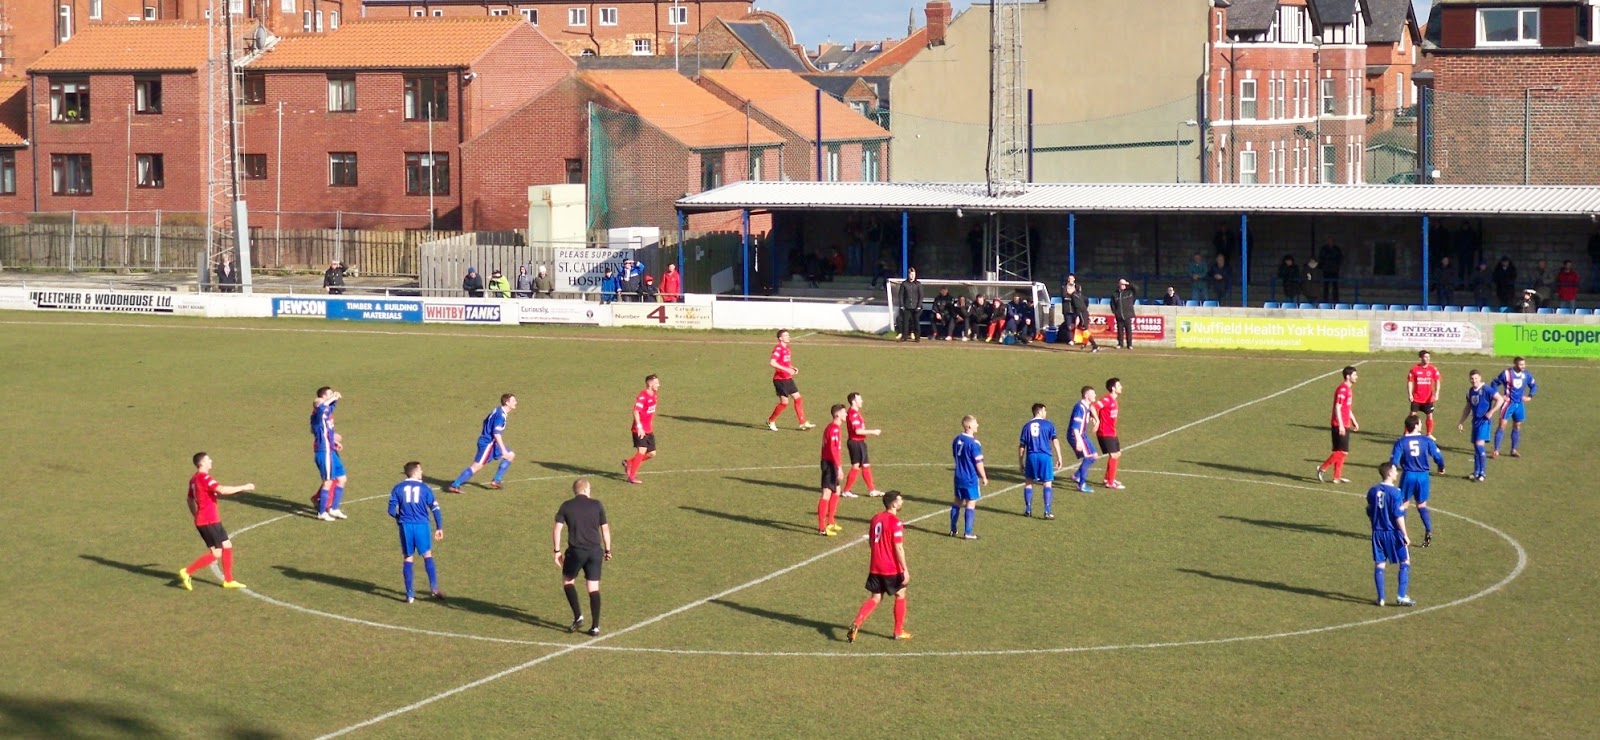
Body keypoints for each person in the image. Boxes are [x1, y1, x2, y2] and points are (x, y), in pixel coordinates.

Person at [177, 452, 255, 591]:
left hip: (208, 520)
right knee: (217, 553)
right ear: (201, 463)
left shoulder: (194, 479)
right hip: (208, 521)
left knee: (227, 546)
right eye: (208, 459)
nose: (211, 461)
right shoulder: (204, 478)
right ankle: (187, 572)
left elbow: (189, 499)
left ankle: (228, 580)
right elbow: (222, 490)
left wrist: (196, 514)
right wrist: (244, 487)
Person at [847, 490, 911, 642]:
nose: (902, 502)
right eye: (900, 500)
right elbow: (898, 548)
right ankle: (898, 631)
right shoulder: (895, 523)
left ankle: (856, 623)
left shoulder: (875, 519)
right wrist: (905, 570)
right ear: (894, 503)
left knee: (875, 597)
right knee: (900, 594)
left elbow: (871, 541)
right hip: (891, 568)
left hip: (875, 566)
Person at [553, 477, 611, 637]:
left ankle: (578, 616)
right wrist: (608, 550)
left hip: (576, 551)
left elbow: (557, 529)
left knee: (567, 581)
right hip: (595, 552)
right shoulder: (597, 505)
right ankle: (595, 627)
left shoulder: (566, 506)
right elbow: (605, 530)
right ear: (586, 490)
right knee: (593, 587)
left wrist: (557, 551)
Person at [387, 461, 446, 603]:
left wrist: (399, 518)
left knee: (408, 558)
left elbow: (390, 510)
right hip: (422, 526)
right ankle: (434, 587)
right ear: (414, 472)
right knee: (427, 555)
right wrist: (439, 527)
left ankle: (410, 595)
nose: (422, 472)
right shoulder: (425, 488)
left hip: (405, 526)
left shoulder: (398, 488)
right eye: (420, 470)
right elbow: (435, 509)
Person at [1390, 415, 1444, 549]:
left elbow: (1394, 461)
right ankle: (1428, 530)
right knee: (1421, 505)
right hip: (1423, 476)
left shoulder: (1401, 442)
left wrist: (1392, 474)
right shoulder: (1426, 440)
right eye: (1420, 423)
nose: (1421, 424)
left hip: (1408, 475)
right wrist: (1441, 467)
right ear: (1416, 425)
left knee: (1403, 505)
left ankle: (1401, 534)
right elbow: (1438, 456)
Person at [447, 393, 518, 493]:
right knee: (477, 466)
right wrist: (503, 450)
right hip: (488, 444)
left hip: (491, 443)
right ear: (507, 402)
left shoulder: (497, 410)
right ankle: (455, 485)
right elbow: (497, 434)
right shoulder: (501, 416)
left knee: (511, 455)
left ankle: (496, 480)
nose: (516, 402)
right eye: (513, 401)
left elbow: (485, 421)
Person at [1366, 462, 1414, 607]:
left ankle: (1381, 598)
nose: (1397, 473)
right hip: (1393, 533)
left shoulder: (1373, 490)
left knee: (1380, 563)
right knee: (1405, 561)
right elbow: (1398, 516)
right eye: (1394, 471)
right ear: (1389, 473)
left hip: (1377, 533)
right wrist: (1405, 534)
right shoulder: (1395, 493)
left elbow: (1369, 509)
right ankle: (1401, 596)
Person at [1457, 369, 1505, 482]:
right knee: (1476, 448)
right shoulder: (1470, 392)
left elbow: (1500, 399)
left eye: (1476, 378)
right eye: (1472, 379)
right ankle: (1476, 472)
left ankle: (1482, 473)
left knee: (1479, 446)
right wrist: (1461, 421)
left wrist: (1491, 412)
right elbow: (1468, 407)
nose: (1474, 381)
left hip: (1484, 421)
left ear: (1480, 378)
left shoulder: (1487, 389)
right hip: (1475, 421)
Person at [309, 386, 348, 522]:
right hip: (323, 452)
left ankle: (334, 508)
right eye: (329, 394)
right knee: (328, 481)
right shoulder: (317, 415)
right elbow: (321, 407)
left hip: (330, 449)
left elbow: (330, 407)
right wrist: (333, 397)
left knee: (342, 478)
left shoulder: (327, 413)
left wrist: (334, 443)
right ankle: (322, 512)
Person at [1018, 403, 1062, 519]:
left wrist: (1020, 462)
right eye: (1045, 411)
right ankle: (1047, 511)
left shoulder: (1026, 426)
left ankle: (1028, 510)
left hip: (1031, 456)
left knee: (1028, 483)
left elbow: (1022, 446)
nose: (1046, 413)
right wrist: (1059, 457)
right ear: (1040, 411)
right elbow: (1055, 441)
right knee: (1047, 483)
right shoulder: (1049, 425)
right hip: (1045, 456)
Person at [1316, 366, 1360, 483]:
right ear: (1348, 376)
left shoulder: (1348, 390)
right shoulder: (1342, 390)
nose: (1357, 377)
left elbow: (1347, 408)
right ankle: (1322, 468)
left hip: (1345, 423)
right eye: (1354, 375)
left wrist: (1353, 420)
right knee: (1343, 451)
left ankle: (1336, 477)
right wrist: (1341, 425)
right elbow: (1337, 407)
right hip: (1339, 424)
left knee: (1340, 451)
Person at [765, 329, 814, 431]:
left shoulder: (787, 348)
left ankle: (802, 423)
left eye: (788, 335)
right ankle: (771, 420)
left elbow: (784, 363)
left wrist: (792, 367)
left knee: (798, 398)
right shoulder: (778, 348)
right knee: (784, 403)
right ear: (780, 338)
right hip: (780, 380)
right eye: (786, 335)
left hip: (788, 378)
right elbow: (772, 362)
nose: (788, 337)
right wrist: (787, 369)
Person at [948, 415, 987, 540]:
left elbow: (955, 455)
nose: (978, 425)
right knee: (970, 503)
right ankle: (968, 532)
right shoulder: (973, 444)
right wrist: (984, 476)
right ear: (969, 426)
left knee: (957, 502)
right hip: (970, 477)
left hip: (958, 476)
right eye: (976, 423)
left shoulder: (956, 439)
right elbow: (978, 462)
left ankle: (953, 529)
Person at [1489, 357, 1536, 458]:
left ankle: (1513, 450)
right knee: (1502, 425)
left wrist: (1530, 397)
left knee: (1517, 426)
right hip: (1508, 404)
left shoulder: (1526, 375)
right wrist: (1499, 396)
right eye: (1520, 364)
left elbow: (1533, 385)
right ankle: (1496, 450)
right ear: (1515, 364)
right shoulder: (1506, 373)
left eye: (1524, 364)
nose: (1523, 366)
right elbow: (1494, 383)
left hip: (1519, 404)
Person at [841, 392, 884, 498]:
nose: (862, 401)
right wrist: (873, 432)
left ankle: (872, 490)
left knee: (865, 465)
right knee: (856, 466)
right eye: (859, 399)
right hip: (855, 442)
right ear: (853, 401)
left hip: (860, 442)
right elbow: (858, 431)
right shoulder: (853, 414)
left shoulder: (855, 413)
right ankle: (846, 490)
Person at [622, 375, 659, 485]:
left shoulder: (655, 395)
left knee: (652, 453)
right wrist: (639, 427)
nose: (658, 385)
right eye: (656, 383)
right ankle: (632, 476)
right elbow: (635, 411)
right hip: (639, 430)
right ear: (650, 383)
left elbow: (650, 412)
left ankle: (629, 462)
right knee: (641, 451)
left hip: (648, 429)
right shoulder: (643, 396)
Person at [818, 404, 847, 536]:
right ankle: (822, 528)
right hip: (830, 464)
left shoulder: (833, 428)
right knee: (826, 494)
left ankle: (830, 521)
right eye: (844, 413)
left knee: (837, 491)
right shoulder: (834, 429)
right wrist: (839, 468)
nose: (846, 415)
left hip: (830, 463)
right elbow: (833, 449)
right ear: (837, 414)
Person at [1094, 378, 1126, 489]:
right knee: (1114, 455)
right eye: (1119, 385)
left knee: (1117, 454)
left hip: (1112, 431)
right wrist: (1096, 420)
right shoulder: (1106, 399)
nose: (1121, 387)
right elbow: (1093, 407)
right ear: (1113, 388)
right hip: (1104, 432)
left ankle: (1108, 478)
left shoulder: (1113, 400)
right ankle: (1110, 482)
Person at [1068, 386, 1098, 493]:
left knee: (1094, 456)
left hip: (1083, 435)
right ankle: (1081, 485)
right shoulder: (1079, 408)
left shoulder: (1086, 405)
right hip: (1076, 435)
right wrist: (1078, 441)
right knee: (1089, 458)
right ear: (1086, 395)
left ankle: (1076, 476)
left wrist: (1096, 420)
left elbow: (1092, 408)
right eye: (1093, 393)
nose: (1095, 395)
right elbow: (1075, 427)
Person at [1406, 350, 1442, 438]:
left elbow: (1437, 381)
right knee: (1412, 416)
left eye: (1429, 357)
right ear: (1420, 358)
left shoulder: (1433, 369)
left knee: (1430, 416)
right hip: (1417, 398)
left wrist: (1436, 393)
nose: (1428, 359)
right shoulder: (1414, 369)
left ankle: (1429, 434)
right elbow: (1410, 382)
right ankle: (1407, 434)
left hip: (1428, 398)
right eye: (1426, 357)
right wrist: (1410, 394)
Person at [1064, 283, 1099, 352]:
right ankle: (1085, 343)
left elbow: (1078, 307)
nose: (1067, 290)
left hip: (1082, 314)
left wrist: (1078, 317)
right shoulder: (1076, 295)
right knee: (1082, 329)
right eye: (1066, 289)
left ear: (1072, 289)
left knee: (1084, 330)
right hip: (1083, 313)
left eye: (1068, 289)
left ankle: (1095, 346)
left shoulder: (1074, 296)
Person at [896, 268, 924, 342]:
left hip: (916, 307)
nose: (912, 276)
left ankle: (917, 337)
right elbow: (901, 295)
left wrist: (919, 306)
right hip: (907, 306)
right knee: (905, 322)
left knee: (916, 322)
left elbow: (921, 296)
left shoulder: (918, 284)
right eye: (911, 274)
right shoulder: (904, 284)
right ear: (908, 275)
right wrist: (902, 305)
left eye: (913, 274)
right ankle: (904, 337)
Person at [1110, 278, 1136, 349]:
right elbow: (1112, 304)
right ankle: (1120, 344)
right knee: (1120, 331)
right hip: (1119, 315)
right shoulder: (1115, 294)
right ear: (1119, 285)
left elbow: (1136, 288)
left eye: (1124, 284)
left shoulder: (1129, 292)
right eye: (1121, 284)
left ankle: (1129, 344)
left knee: (1129, 331)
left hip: (1128, 315)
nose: (1123, 286)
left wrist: (1129, 284)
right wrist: (1115, 312)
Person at [1317, 236, 1344, 303]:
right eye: (1329, 240)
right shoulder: (1324, 249)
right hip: (1326, 270)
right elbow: (1321, 259)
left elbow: (1340, 259)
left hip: (1334, 270)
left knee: (1335, 286)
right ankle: (1325, 300)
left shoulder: (1337, 249)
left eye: (1332, 240)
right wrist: (1323, 266)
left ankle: (1335, 300)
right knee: (1326, 286)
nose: (1330, 242)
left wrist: (1336, 266)